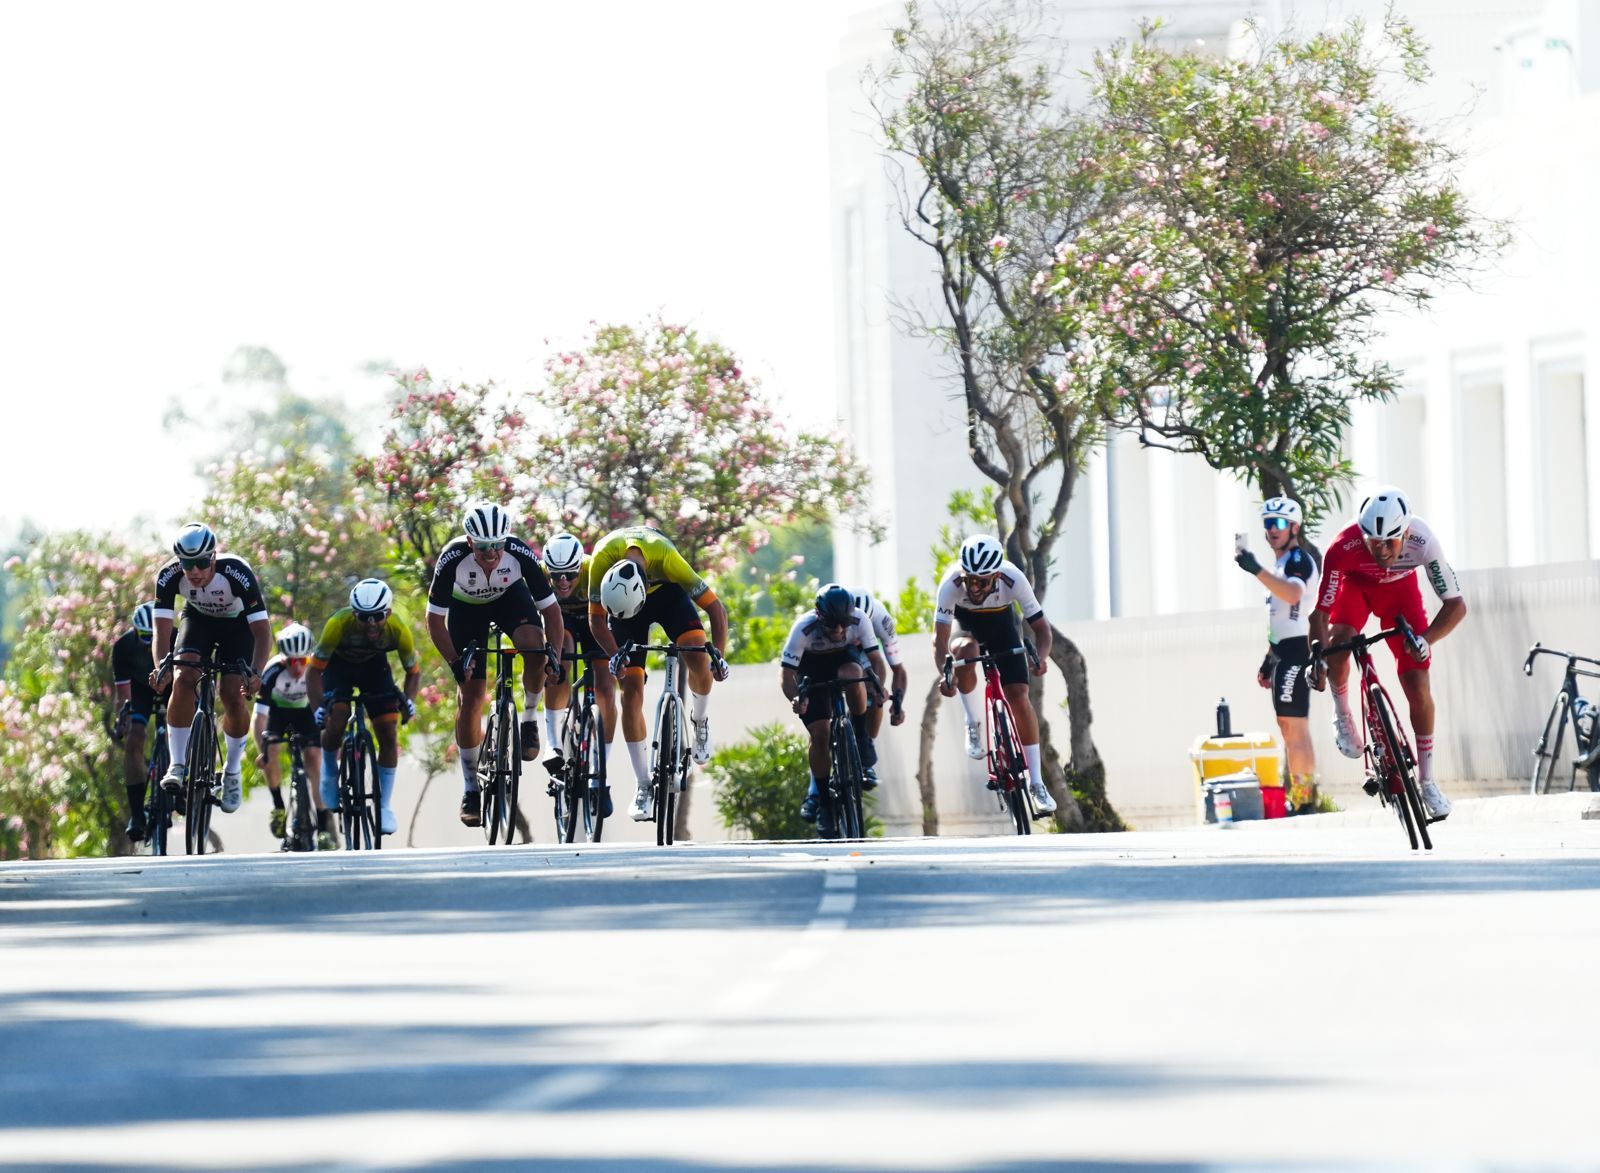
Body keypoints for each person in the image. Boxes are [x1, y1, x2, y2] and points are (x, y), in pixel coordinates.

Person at [1310, 485, 1467, 822]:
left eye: (1390, 542)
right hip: (1357, 589)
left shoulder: (1424, 541)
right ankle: (1342, 713)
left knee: (1417, 683)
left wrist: (1426, 639)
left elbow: (1456, 605)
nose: (1381, 550)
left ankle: (1427, 781)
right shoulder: (1342, 547)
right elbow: (1319, 615)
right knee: (1339, 643)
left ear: (1406, 532)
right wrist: (1317, 658)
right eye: (1373, 542)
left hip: (1401, 593)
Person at [426, 502, 563, 827]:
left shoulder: (519, 554)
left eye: (498, 545)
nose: (492, 554)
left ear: (506, 540)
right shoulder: (452, 558)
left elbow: (552, 612)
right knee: (471, 698)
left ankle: (529, 720)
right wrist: (455, 664)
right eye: (484, 547)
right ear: (470, 542)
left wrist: (553, 655)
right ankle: (471, 787)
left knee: (534, 647)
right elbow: (434, 620)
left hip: (509, 600)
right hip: (466, 609)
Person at [585, 525, 730, 822]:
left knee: (697, 656)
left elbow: (717, 610)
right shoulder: (601, 559)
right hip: (623, 613)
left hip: (668, 598)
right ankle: (643, 785)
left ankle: (700, 721)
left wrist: (719, 657)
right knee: (630, 692)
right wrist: (616, 657)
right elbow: (597, 621)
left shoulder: (667, 558)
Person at [149, 523, 272, 815]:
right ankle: (177, 764)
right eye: (187, 564)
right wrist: (161, 666)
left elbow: (263, 633)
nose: (194, 571)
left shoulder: (237, 573)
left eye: (202, 563)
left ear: (213, 557)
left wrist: (256, 672)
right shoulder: (168, 576)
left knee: (232, 694)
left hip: (238, 626)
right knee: (182, 677)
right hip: (198, 620)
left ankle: (231, 772)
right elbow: (161, 631)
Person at [931, 535, 1056, 815]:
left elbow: (1042, 630)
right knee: (965, 649)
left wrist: (1042, 658)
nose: (974, 587)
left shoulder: (1013, 579)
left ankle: (1036, 783)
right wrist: (946, 674)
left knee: (1019, 697)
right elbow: (939, 643)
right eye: (969, 580)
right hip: (966, 628)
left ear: (997, 576)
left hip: (1002, 627)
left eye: (982, 581)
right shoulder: (951, 583)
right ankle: (972, 721)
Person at [309, 579, 423, 836]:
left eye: (378, 617)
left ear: (389, 613)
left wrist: (408, 700)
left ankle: (383, 806)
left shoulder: (397, 629)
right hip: (338, 669)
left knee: (388, 732)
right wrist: (318, 708)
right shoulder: (338, 624)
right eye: (364, 617)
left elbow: (413, 673)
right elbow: (313, 671)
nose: (371, 623)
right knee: (337, 718)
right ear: (354, 613)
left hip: (375, 669)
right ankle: (329, 771)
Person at [1234, 497, 1321, 814]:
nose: (1272, 530)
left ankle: (1304, 798)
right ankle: (1301, 794)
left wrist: (1255, 569)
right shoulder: (1281, 565)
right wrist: (1269, 659)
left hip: (1298, 650)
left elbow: (1295, 594)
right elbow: (1280, 619)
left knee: (1295, 726)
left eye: (1280, 524)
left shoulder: (1299, 559)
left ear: (1294, 528)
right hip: (1283, 651)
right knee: (1287, 726)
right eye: (1268, 524)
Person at [785, 584, 891, 837]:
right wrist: (797, 697)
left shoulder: (859, 619)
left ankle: (861, 739)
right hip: (811, 668)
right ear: (819, 617)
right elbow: (786, 673)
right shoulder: (804, 628)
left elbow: (876, 661)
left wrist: (879, 686)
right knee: (820, 733)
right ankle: (823, 800)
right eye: (833, 625)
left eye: (844, 624)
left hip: (843, 660)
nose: (840, 630)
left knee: (855, 674)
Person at [538, 531, 616, 820]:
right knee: (562, 657)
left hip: (595, 618)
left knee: (606, 688)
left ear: (580, 568)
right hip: (562, 620)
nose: (563, 581)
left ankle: (602, 777)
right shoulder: (538, 572)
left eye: (570, 574)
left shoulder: (595, 568)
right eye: (556, 575)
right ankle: (553, 743)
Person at [251, 622, 330, 844]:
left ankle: (323, 828)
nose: (297, 667)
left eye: (303, 661)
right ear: (283, 658)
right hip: (279, 714)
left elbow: (328, 710)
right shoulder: (272, 672)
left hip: (306, 712)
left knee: (315, 761)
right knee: (271, 750)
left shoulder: (318, 670)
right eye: (292, 662)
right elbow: (259, 717)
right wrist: (263, 751)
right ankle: (278, 806)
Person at [849, 586, 909, 780]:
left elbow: (898, 669)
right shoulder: (840, 616)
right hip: (842, 647)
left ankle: (867, 745)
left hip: (870, 653)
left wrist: (897, 702)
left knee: (875, 692)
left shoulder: (881, 619)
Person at [110, 601, 158, 842]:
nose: (150, 643)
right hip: (140, 691)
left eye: (155, 636)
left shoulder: (175, 637)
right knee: (134, 740)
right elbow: (123, 696)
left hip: (170, 685)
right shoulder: (123, 647)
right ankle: (137, 815)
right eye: (145, 637)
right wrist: (124, 721)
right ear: (135, 631)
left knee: (180, 723)